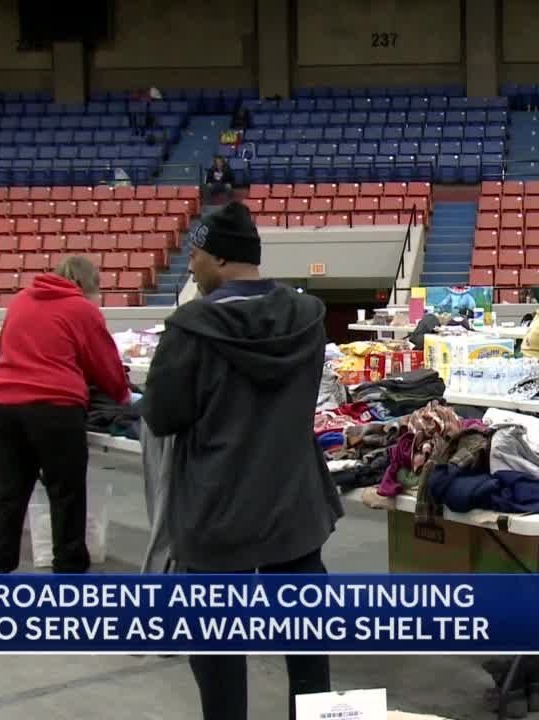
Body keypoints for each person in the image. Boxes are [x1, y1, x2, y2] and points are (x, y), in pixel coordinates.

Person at [139, 201, 342, 720]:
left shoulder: (191, 327)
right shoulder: (309, 317)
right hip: (294, 506)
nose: (190, 265)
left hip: (217, 508)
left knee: (219, 658)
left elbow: (161, 416)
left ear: (222, 260)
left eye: (197, 254)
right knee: (308, 654)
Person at [0, 256, 131, 572]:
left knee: (6, 494)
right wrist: (123, 397)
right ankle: (69, 569)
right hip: (55, 408)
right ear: (90, 285)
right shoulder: (82, 309)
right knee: (65, 493)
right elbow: (105, 364)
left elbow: (5, 347)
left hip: (5, 405)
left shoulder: (20, 300)